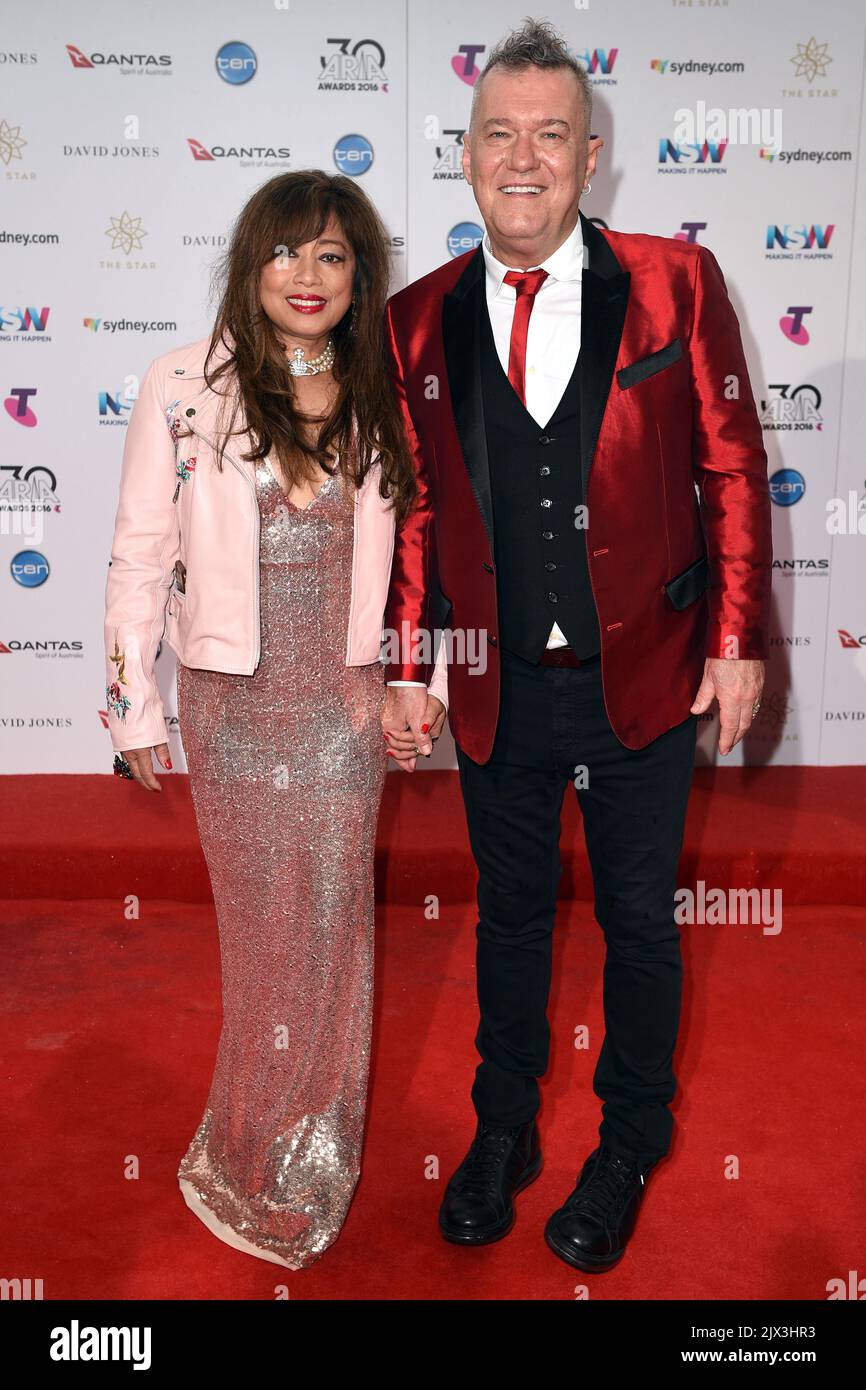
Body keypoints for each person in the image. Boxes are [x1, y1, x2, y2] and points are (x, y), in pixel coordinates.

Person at [382, 18, 772, 1272]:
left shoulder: (673, 283)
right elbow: (417, 510)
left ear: (590, 156)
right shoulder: (414, 318)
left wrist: (736, 639)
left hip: (645, 677)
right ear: (464, 155)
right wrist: (406, 664)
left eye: (550, 134)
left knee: (640, 927)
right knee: (508, 918)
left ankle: (630, 1138)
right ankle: (502, 1135)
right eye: (498, 133)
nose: (523, 156)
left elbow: (726, 466)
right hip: (500, 688)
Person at [103, 170, 446, 1269]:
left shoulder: (381, 389)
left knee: (334, 934)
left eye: (333, 255)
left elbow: (422, 566)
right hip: (234, 708)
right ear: (252, 263)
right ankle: (246, 1144)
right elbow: (138, 557)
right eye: (287, 252)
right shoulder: (179, 387)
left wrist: (417, 677)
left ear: (360, 276)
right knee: (264, 943)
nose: (308, 276)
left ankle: (309, 1153)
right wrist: (131, 707)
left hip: (341, 709)